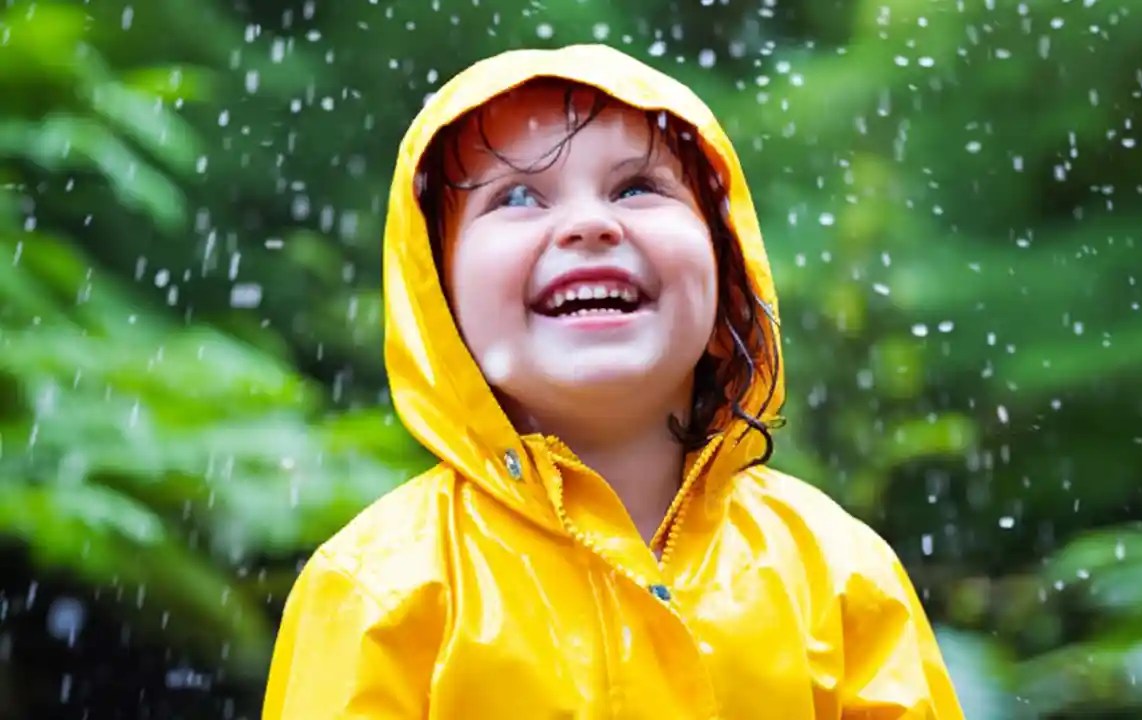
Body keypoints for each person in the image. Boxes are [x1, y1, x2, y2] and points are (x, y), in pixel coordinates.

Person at [262, 43, 965, 719]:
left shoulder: (838, 573)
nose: (589, 224)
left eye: (636, 188)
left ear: (728, 283)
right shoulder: (380, 591)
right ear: (438, 305)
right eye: (515, 198)